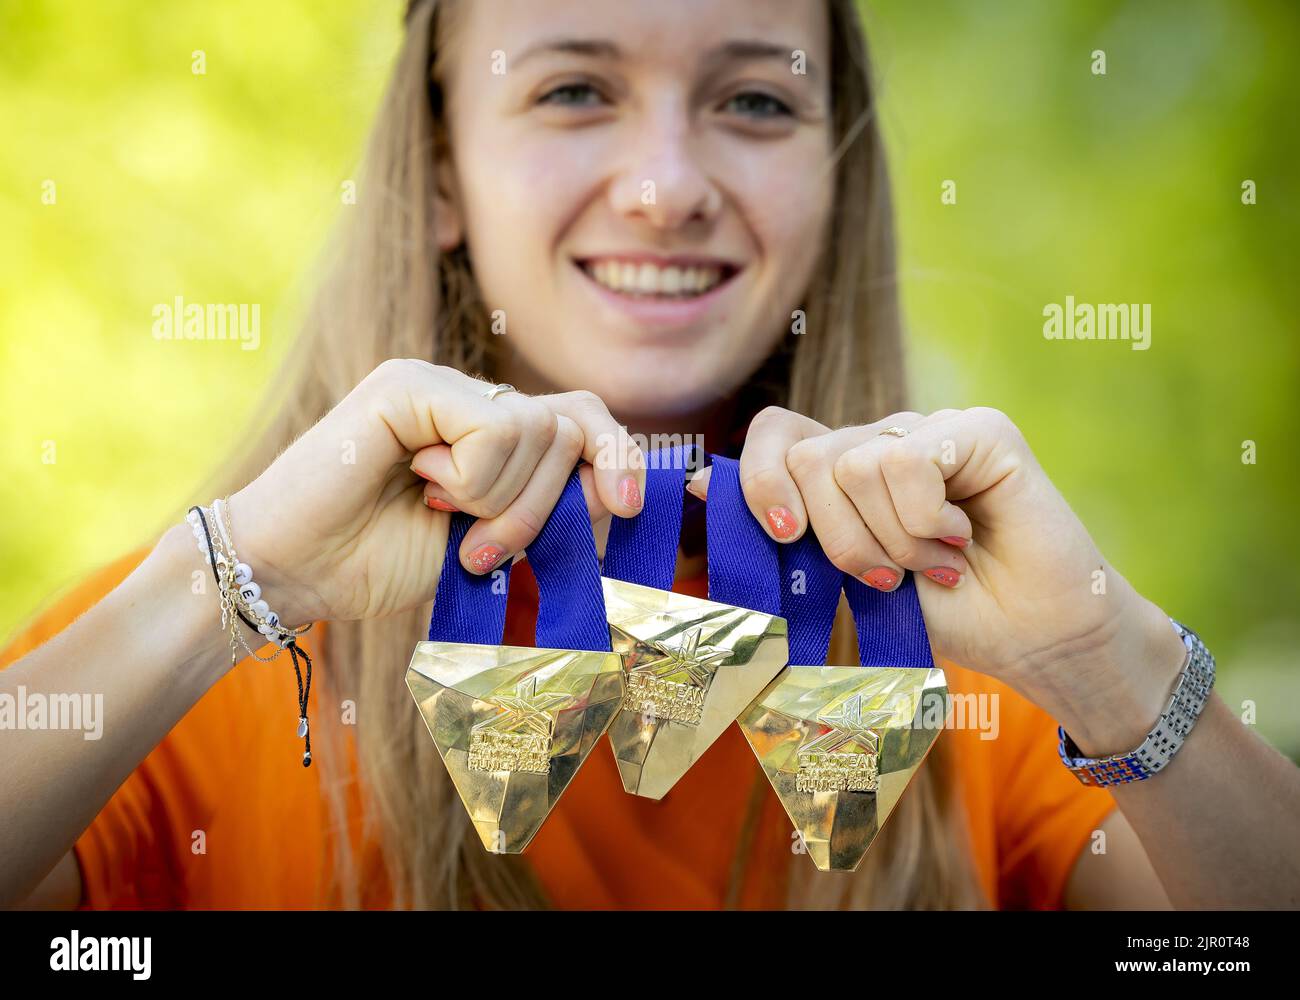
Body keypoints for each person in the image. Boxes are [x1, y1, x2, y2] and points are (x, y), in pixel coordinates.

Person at [2, 0, 1297, 911]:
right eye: (574, 89)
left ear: (834, 173)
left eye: (753, 99)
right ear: (441, 166)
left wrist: (1097, 658)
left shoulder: (964, 664)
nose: (667, 184)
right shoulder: (199, 667)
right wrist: (241, 587)